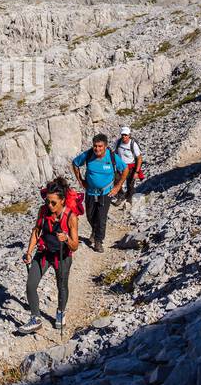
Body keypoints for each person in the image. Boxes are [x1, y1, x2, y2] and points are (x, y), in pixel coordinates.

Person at [19, 177, 80, 333]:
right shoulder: (43, 210)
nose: (49, 205)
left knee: (62, 286)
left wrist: (66, 239)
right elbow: (36, 231)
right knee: (31, 285)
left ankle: (60, 312)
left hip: (62, 255)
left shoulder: (71, 217)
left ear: (62, 201)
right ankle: (35, 318)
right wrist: (29, 251)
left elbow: (75, 245)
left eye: (53, 202)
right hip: (44, 253)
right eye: (48, 201)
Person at [71, 133, 127, 252]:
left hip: (106, 193)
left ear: (105, 146)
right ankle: (94, 231)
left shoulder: (112, 157)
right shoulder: (89, 154)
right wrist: (80, 180)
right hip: (90, 192)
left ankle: (98, 241)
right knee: (90, 216)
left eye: (100, 146)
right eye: (95, 146)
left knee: (101, 218)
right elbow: (75, 163)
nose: (97, 149)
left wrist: (118, 187)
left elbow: (125, 169)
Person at [113, 126, 143, 204]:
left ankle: (129, 197)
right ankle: (120, 195)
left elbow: (139, 158)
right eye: (123, 135)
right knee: (116, 180)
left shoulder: (133, 144)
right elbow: (115, 153)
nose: (124, 136)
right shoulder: (118, 142)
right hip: (120, 167)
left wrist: (136, 172)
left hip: (131, 167)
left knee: (130, 183)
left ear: (129, 135)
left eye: (125, 135)